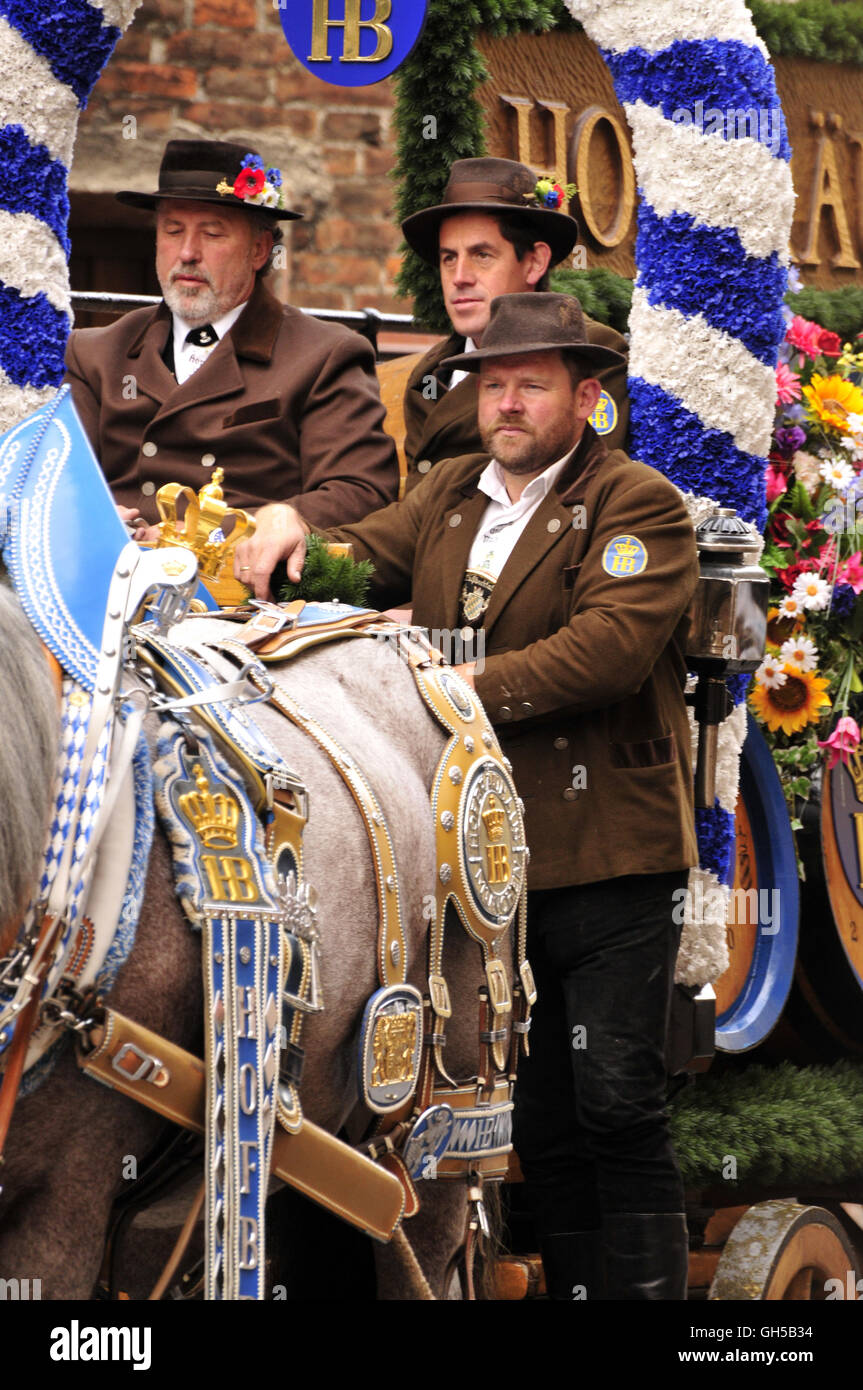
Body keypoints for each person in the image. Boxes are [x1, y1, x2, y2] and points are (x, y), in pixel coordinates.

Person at [234, 292, 699, 1300]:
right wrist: (288, 545)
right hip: (490, 867)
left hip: (610, 857)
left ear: (583, 398)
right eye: (493, 383)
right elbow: (359, 558)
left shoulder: (636, 504)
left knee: (614, 1099)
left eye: (531, 384)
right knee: (534, 1121)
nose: (507, 403)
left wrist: (432, 688)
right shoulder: (449, 489)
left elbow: (606, 652)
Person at [64, 139, 399, 545]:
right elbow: (57, 480)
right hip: (106, 580)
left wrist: (213, 533)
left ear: (259, 250)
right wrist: (88, 516)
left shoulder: (325, 355)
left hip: (236, 593)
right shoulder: (92, 352)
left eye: (212, 233)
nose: (187, 253)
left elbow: (360, 491)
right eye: (172, 231)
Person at [399, 157, 629, 486]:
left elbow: (583, 489)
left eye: (482, 255)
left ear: (535, 263)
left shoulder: (589, 352)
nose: (459, 277)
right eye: (449, 258)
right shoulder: (431, 374)